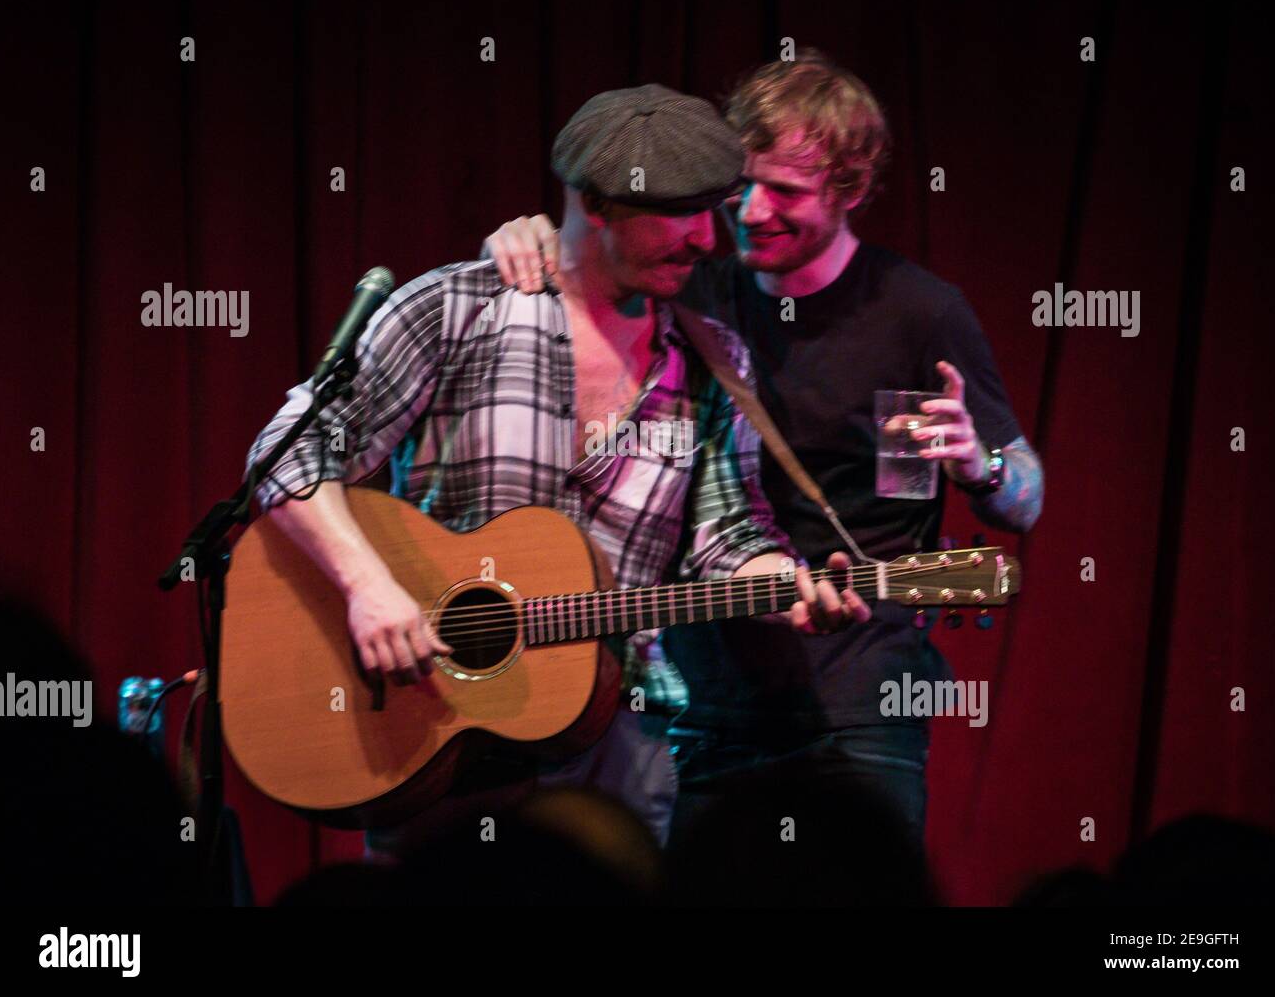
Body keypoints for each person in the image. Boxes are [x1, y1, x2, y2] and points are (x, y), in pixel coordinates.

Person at [245, 83, 867, 861]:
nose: (710, 237)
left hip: (614, 740)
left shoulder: (715, 362)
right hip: (436, 727)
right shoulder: (453, 311)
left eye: (716, 207)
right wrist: (368, 586)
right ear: (595, 204)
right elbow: (289, 451)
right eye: (682, 212)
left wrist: (792, 587)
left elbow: (727, 537)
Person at [482, 51, 1044, 852]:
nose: (749, 211)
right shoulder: (691, 290)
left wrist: (980, 466)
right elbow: (585, 260)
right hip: (698, 697)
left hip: (858, 703)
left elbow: (1025, 495)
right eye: (739, 185)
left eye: (785, 190)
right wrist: (531, 235)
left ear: (849, 190)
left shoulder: (921, 315)